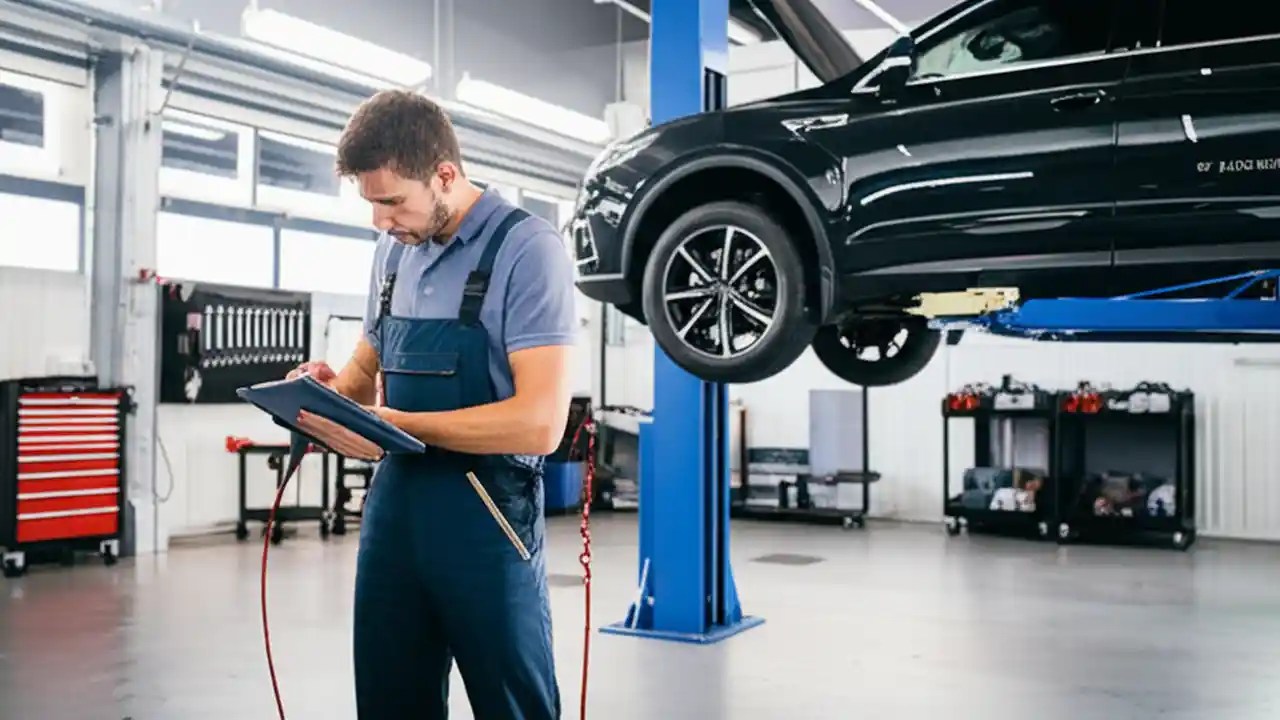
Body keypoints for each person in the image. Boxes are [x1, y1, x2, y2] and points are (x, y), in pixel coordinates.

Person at [288, 89, 576, 719]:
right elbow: (363, 377)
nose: (380, 221)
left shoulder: (527, 251)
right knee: (391, 701)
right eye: (371, 203)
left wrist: (397, 425)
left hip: (488, 518)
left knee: (513, 705)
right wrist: (320, 396)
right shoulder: (392, 253)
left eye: (392, 201)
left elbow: (541, 422)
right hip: (395, 517)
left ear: (444, 175)